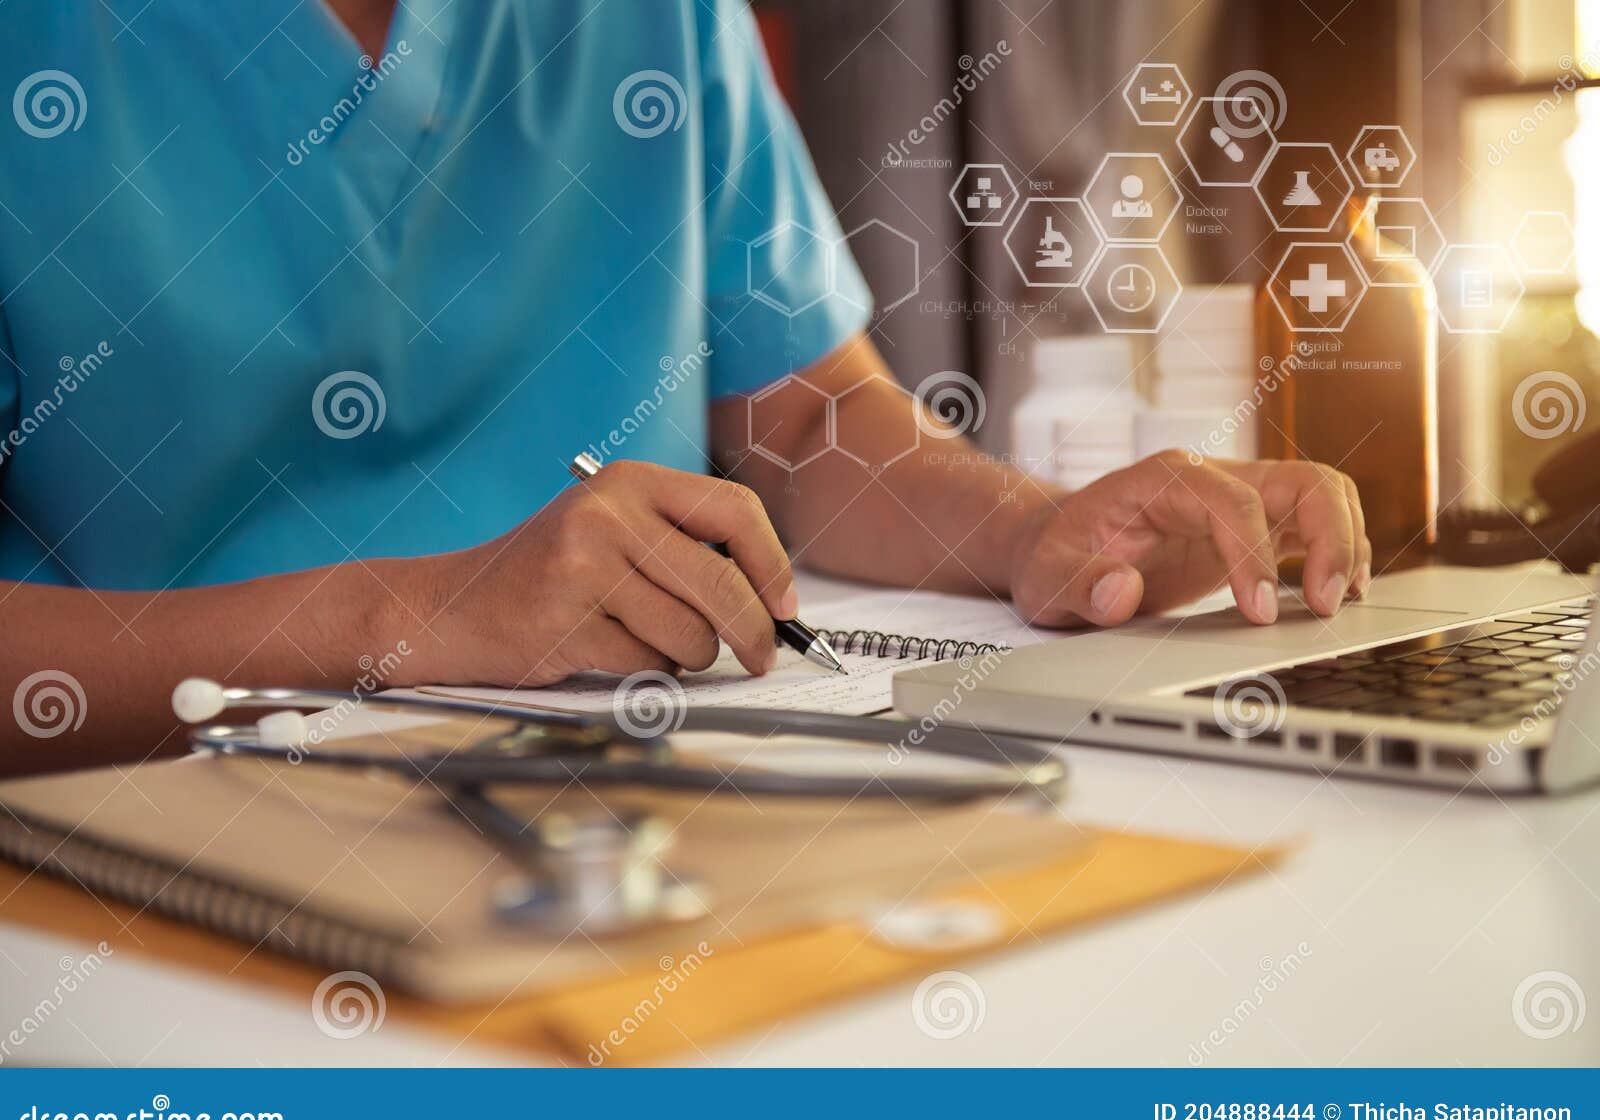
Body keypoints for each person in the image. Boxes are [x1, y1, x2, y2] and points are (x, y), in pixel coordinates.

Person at [0, 0, 1369, 775]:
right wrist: (418, 613)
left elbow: (809, 419)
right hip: (146, 814)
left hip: (645, 795)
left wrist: (1029, 530)